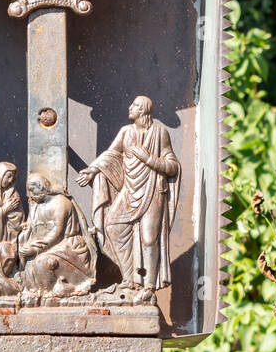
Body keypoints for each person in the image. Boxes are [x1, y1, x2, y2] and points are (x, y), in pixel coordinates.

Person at [78, 96, 180, 291]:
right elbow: (111, 154)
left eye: (134, 105)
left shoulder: (160, 133)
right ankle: (130, 277)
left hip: (153, 191)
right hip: (130, 189)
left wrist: (148, 158)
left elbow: (173, 167)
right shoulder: (126, 131)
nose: (129, 108)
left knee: (150, 238)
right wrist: (92, 170)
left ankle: (149, 285)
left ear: (142, 110)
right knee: (112, 226)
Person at [18, 173, 96, 295]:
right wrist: (25, 243)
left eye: (32, 190)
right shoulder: (37, 204)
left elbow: (57, 233)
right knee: (28, 265)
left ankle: (52, 293)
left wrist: (34, 249)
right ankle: (39, 292)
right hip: (49, 245)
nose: (30, 195)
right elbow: (30, 227)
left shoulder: (60, 203)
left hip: (69, 246)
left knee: (42, 262)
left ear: (41, 187)